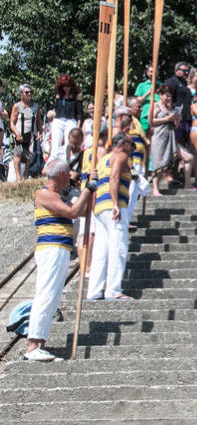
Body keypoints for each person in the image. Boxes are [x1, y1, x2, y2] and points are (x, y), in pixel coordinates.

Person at [24, 158, 96, 361]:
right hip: (51, 247)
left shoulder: (58, 197)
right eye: (70, 174)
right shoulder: (44, 194)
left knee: (53, 297)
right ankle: (32, 345)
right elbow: (73, 212)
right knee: (46, 294)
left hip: (61, 249)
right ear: (62, 175)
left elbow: (83, 210)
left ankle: (40, 344)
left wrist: (90, 189)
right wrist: (87, 190)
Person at [87, 132, 135, 301]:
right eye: (131, 144)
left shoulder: (102, 160)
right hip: (113, 205)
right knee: (118, 247)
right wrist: (115, 203)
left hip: (100, 207)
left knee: (101, 250)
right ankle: (113, 290)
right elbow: (114, 176)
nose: (133, 148)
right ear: (122, 144)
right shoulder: (120, 156)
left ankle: (94, 290)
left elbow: (96, 182)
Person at [149, 85, 184, 195]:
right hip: (158, 136)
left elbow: (175, 126)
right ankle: (155, 188)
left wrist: (177, 120)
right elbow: (151, 122)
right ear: (160, 95)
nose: (169, 98)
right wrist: (165, 119)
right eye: (167, 96)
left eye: (170, 96)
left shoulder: (170, 108)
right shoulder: (155, 106)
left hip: (169, 135)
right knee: (157, 161)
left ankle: (158, 185)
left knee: (165, 160)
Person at [9, 84, 42, 181]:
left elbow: (39, 122)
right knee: (18, 154)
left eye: (31, 92)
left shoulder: (36, 106)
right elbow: (11, 122)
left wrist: (40, 132)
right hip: (19, 134)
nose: (29, 94)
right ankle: (18, 177)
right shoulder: (17, 106)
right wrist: (16, 133)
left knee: (29, 157)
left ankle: (26, 177)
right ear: (21, 94)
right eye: (26, 92)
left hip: (31, 135)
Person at [49, 74, 83, 160]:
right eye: (64, 86)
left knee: (68, 145)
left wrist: (78, 126)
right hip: (58, 120)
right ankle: (51, 166)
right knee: (55, 145)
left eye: (68, 86)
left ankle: (67, 163)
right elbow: (57, 110)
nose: (66, 88)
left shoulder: (77, 96)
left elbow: (79, 112)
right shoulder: (59, 96)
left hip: (71, 120)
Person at [163, 62, 193, 145]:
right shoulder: (172, 81)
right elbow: (165, 98)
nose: (187, 73)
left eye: (188, 70)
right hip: (176, 119)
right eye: (184, 70)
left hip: (186, 119)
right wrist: (170, 113)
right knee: (176, 144)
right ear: (176, 71)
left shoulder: (184, 84)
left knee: (184, 143)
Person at [133, 65, 159, 132]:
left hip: (158, 116)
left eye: (155, 72)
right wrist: (148, 93)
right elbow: (138, 101)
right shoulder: (142, 85)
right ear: (147, 73)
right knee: (145, 135)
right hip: (145, 115)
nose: (153, 73)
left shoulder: (161, 85)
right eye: (151, 71)